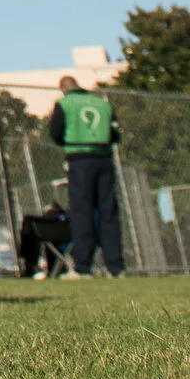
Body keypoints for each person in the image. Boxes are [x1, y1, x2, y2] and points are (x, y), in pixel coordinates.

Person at [48, 74, 124, 277]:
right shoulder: (102, 104)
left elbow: (55, 132)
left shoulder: (64, 104)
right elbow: (116, 133)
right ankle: (115, 267)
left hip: (79, 160)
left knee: (82, 213)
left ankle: (82, 266)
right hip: (104, 159)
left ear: (63, 89)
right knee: (109, 213)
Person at [17, 198, 71, 280]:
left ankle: (31, 266)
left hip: (69, 230)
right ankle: (32, 266)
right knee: (30, 224)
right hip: (65, 228)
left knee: (31, 225)